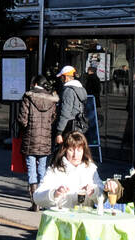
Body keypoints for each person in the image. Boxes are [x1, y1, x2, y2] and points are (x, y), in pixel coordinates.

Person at [17, 75, 58, 209]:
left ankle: (35, 203)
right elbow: (53, 118)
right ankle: (44, 200)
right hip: (45, 138)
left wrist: (27, 127)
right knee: (42, 169)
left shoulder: (28, 97)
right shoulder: (51, 100)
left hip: (30, 137)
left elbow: (22, 119)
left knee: (31, 170)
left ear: (34, 84)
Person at [33, 131, 102, 210]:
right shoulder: (55, 170)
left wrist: (94, 191)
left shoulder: (91, 169)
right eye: (71, 150)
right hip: (61, 219)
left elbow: (103, 196)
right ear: (65, 150)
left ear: (84, 151)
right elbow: (37, 197)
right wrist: (54, 193)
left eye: (79, 150)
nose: (75, 155)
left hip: (85, 218)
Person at [54, 65, 88, 145]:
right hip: (79, 125)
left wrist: (59, 132)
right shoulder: (81, 89)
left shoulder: (68, 90)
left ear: (65, 77)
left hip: (69, 126)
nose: (61, 80)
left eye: (61, 77)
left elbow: (65, 112)